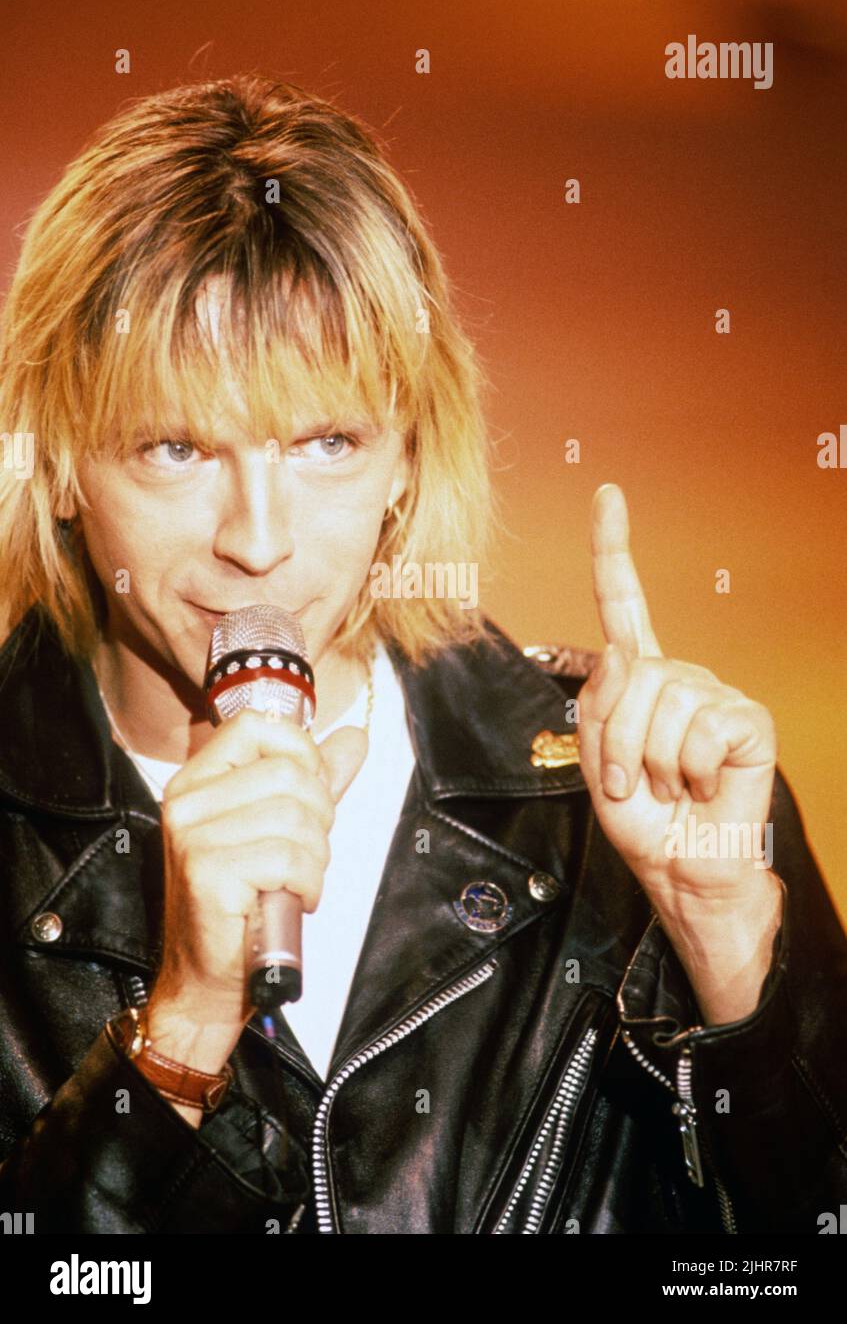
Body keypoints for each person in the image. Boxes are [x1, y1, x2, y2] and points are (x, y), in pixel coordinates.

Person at [0, 73, 844, 1236]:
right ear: (54, 465)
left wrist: (737, 962)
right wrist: (181, 1037)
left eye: (327, 441)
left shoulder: (619, 804)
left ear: (409, 454)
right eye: (175, 447)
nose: (258, 539)